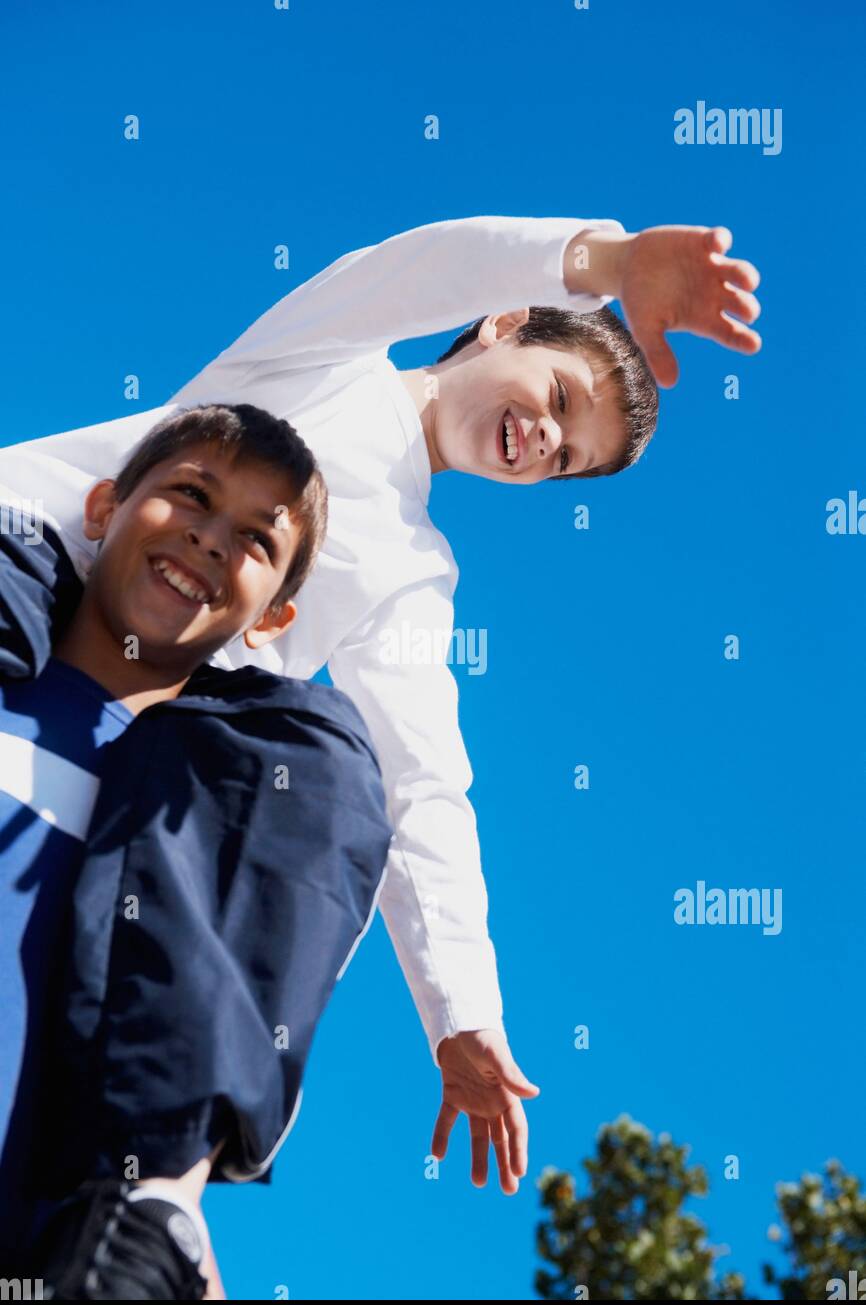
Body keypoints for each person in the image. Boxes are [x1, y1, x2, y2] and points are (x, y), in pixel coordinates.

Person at [0, 213, 762, 1195]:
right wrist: (604, 264)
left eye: (564, 456)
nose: (541, 440)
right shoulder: (332, 358)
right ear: (502, 326)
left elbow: (422, 786)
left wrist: (461, 1013)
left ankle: (158, 1183)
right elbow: (415, 269)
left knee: (327, 765)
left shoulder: (411, 571)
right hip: (45, 569)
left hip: (153, 700)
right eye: (557, 398)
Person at [0, 403, 393, 1298]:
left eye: (256, 540)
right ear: (101, 508)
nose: (212, 540)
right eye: (190, 494)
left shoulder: (211, 811)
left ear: (273, 618)